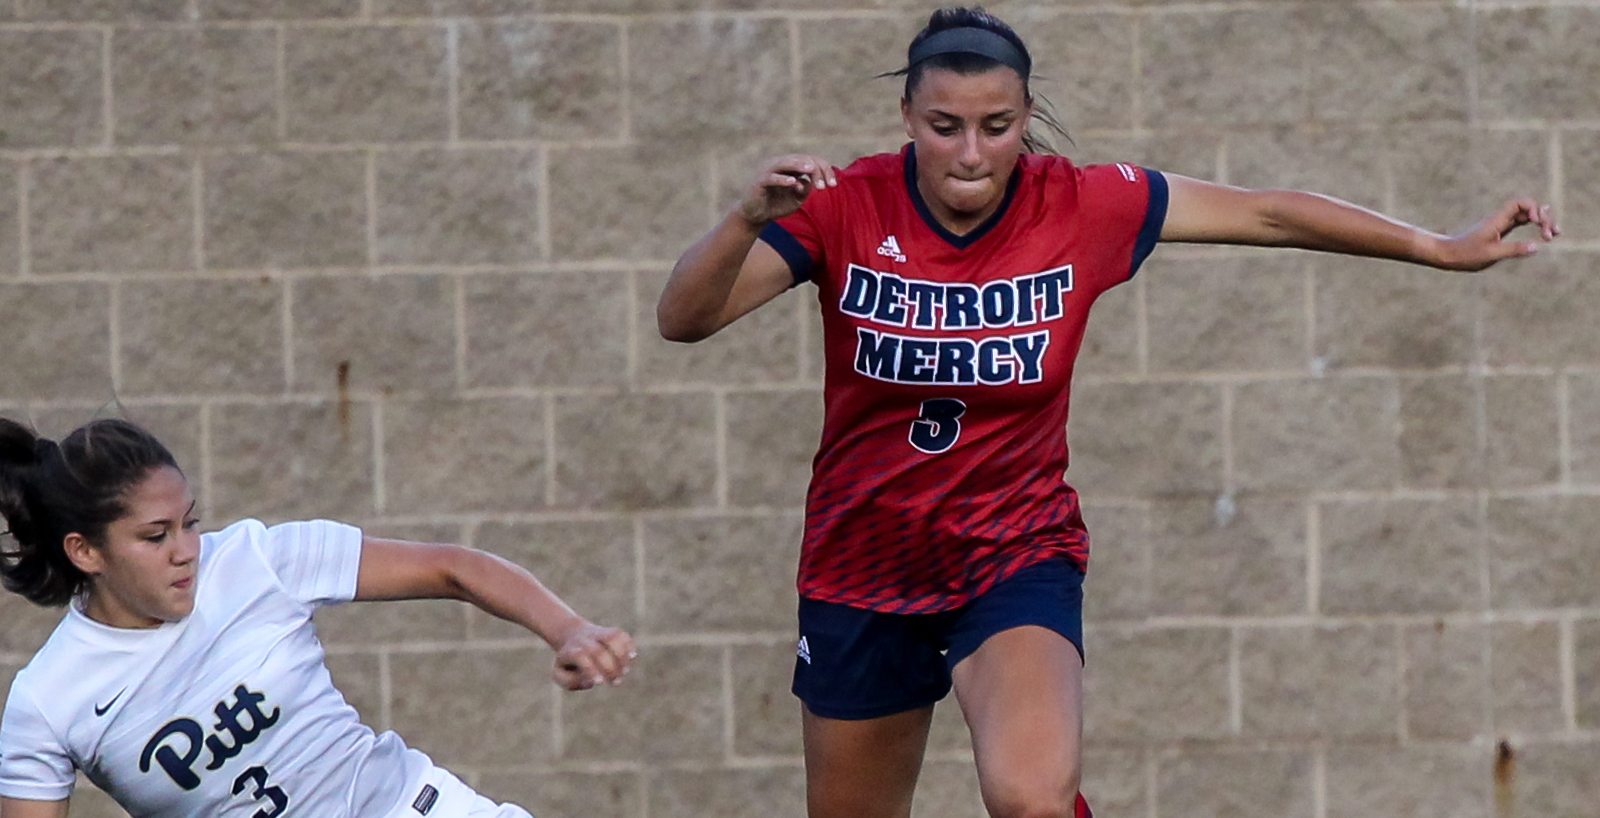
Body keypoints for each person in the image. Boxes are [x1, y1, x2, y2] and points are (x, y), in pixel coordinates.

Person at [656, 7, 1561, 818]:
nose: (971, 153)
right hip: (862, 564)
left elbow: (1271, 215)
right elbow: (684, 321)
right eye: (945, 127)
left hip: (1011, 554)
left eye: (996, 127)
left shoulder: (1085, 203)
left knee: (1029, 798)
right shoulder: (844, 207)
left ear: (1026, 120)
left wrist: (1435, 248)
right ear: (907, 121)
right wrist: (744, 219)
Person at [0, 417, 636, 818]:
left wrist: (568, 629)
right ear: (85, 551)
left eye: (190, 522)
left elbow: (453, 568)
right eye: (154, 535)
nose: (187, 549)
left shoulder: (257, 560)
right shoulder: (48, 702)